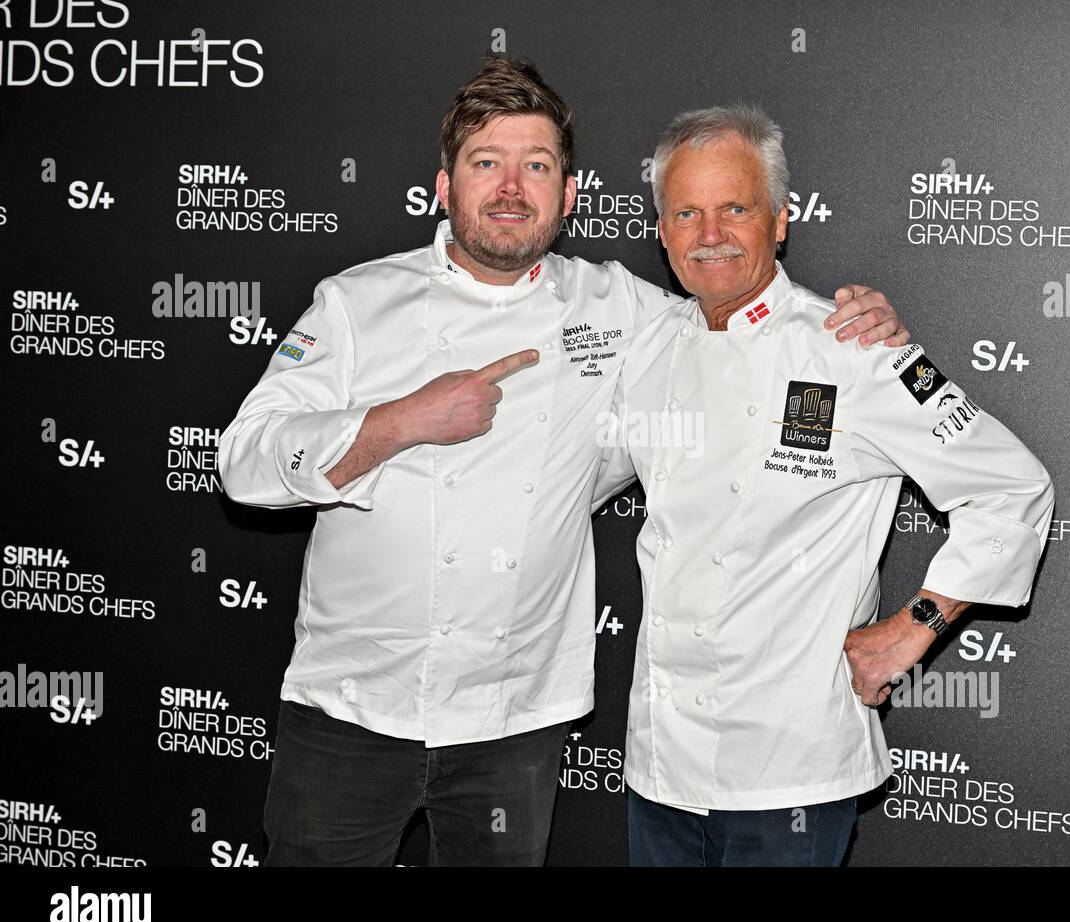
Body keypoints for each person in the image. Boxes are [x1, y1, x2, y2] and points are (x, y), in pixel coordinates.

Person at [217, 58, 909, 866]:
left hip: (513, 724)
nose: (511, 188)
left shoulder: (618, 306)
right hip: (350, 710)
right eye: (486, 164)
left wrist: (853, 325)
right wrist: (401, 421)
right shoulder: (356, 302)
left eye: (536, 166)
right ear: (444, 187)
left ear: (569, 195)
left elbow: (742, 315)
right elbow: (244, 464)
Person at [604, 104, 1055, 866]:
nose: (709, 233)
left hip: (794, 774)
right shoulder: (646, 352)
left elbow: (1013, 487)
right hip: (660, 767)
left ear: (780, 221)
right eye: (686, 211)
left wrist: (915, 626)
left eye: (735, 208)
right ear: (662, 230)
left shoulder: (857, 348)